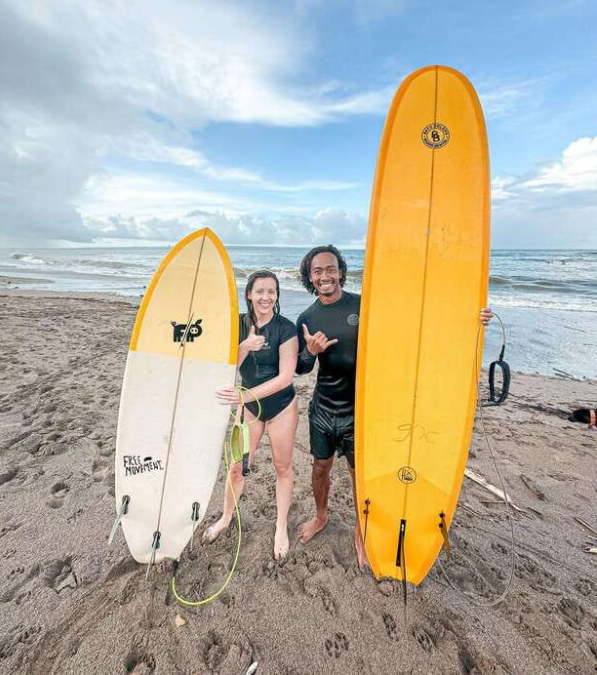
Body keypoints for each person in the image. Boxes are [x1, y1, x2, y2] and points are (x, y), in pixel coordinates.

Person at [295, 244, 493, 570]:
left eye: (330, 269)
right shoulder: (307, 318)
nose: (324, 276)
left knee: (359, 475)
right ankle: (320, 516)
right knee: (320, 468)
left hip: (361, 412)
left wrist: (471, 316)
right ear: (310, 277)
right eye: (317, 271)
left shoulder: (364, 306)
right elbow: (301, 369)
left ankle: (362, 529)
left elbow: (415, 321)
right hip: (323, 410)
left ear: (341, 272)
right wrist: (311, 352)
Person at [204, 270, 299, 561]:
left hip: (281, 406)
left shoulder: (286, 328)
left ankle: (280, 527)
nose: (266, 297)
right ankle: (225, 517)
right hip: (250, 410)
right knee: (237, 467)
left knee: (282, 468)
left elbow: (286, 377)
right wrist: (244, 346)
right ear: (249, 294)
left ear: (277, 295)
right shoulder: (238, 325)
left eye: (272, 291)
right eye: (260, 291)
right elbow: (226, 365)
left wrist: (246, 396)